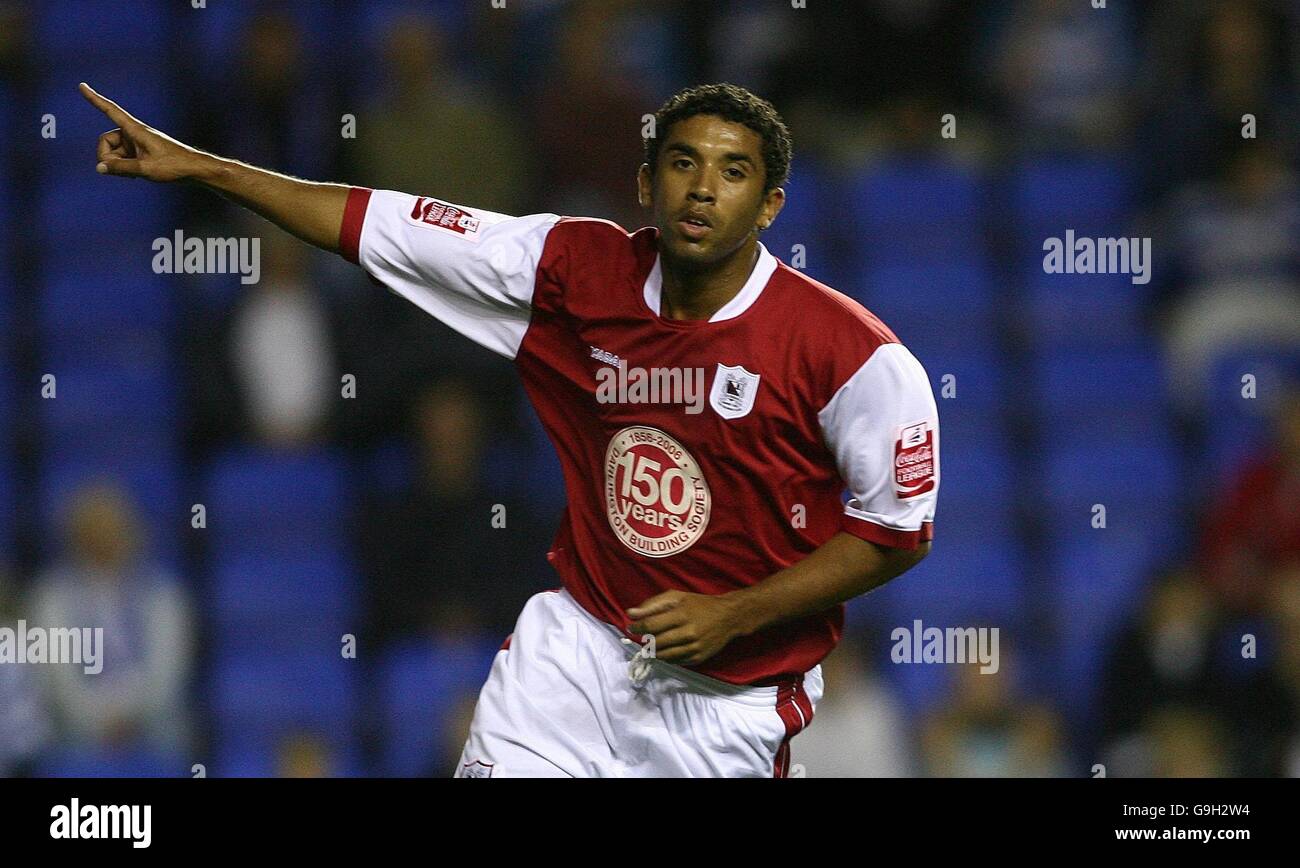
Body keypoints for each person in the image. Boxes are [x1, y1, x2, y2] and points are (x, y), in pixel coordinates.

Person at [81, 80, 939, 778]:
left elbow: (897, 535)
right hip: (578, 653)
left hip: (731, 704)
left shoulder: (854, 357)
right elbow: (384, 226)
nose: (703, 187)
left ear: (770, 205)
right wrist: (201, 168)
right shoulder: (573, 270)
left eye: (733, 171)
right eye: (682, 162)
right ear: (646, 184)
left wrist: (736, 612)